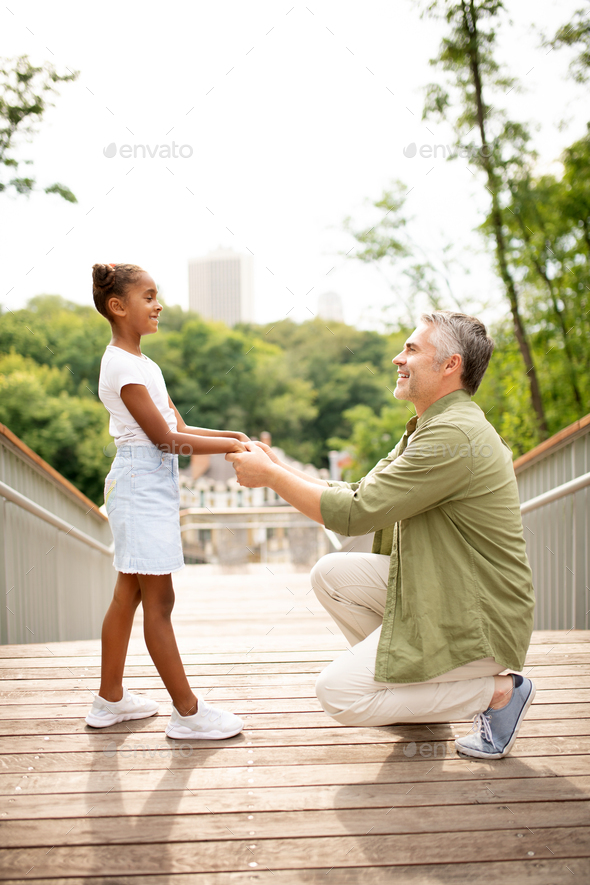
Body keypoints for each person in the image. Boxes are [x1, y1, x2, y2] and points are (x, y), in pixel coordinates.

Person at [227, 311, 536, 759]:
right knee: (332, 573)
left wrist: (271, 478)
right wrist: (278, 467)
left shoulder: (454, 435)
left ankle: (498, 693)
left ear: (450, 365)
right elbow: (357, 493)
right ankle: (423, 694)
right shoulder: (429, 427)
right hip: (447, 592)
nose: (398, 358)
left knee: (338, 693)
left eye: (411, 349)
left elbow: (355, 514)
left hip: (478, 620)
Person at [85, 262, 247, 740]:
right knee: (160, 600)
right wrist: (232, 448)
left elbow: (177, 428)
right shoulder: (118, 363)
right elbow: (164, 441)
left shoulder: (145, 365)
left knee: (129, 594)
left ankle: (109, 700)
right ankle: (188, 712)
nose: (159, 306)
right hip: (139, 485)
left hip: (147, 486)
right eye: (149, 297)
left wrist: (230, 435)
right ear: (118, 307)